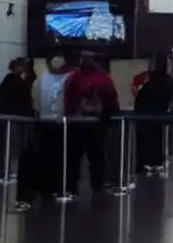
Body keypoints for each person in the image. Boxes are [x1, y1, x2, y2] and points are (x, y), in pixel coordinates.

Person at [63, 52, 119, 195]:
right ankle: (89, 186)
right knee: (85, 157)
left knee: (91, 157)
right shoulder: (101, 77)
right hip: (88, 123)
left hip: (90, 124)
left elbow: (68, 99)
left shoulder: (77, 77)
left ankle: (89, 185)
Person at [0, 58, 36, 180]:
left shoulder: (9, 80)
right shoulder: (17, 82)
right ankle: (10, 171)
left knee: (5, 147)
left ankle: (2, 171)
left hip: (9, 118)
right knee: (13, 146)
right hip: (15, 118)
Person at [35, 55, 71, 199]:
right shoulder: (70, 78)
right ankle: (55, 185)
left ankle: (48, 186)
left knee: (50, 156)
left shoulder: (41, 80)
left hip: (49, 122)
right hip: (57, 123)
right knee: (57, 156)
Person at [134, 66, 173, 172]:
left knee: (145, 140)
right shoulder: (167, 82)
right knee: (156, 138)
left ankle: (144, 163)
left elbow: (139, 100)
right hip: (157, 116)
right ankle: (156, 162)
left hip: (144, 117)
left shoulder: (148, 87)